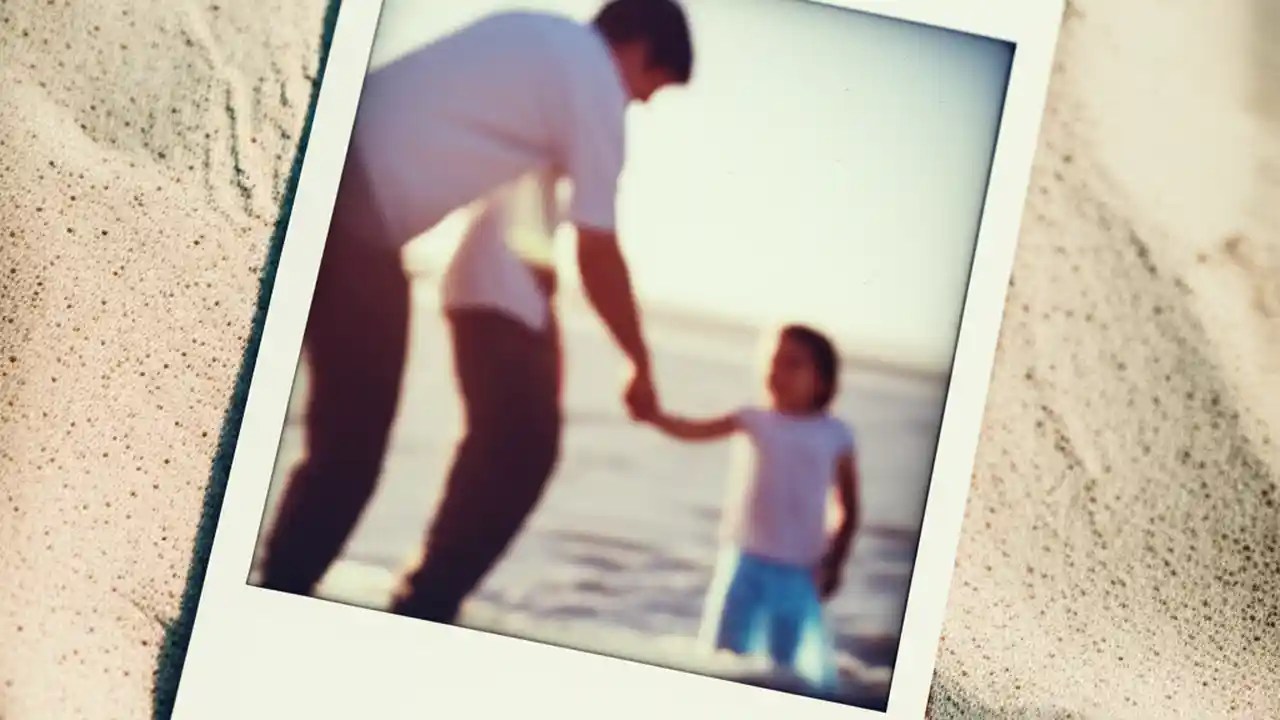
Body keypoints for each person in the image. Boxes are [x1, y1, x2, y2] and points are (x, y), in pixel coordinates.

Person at [257, 0, 696, 624]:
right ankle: (285, 606)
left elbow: (518, 216)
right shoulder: (596, 81)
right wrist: (640, 364)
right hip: (352, 208)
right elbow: (597, 248)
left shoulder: (534, 37)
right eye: (652, 87)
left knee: (346, 448)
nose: (641, 103)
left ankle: (318, 596)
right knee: (350, 453)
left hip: (323, 157)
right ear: (639, 50)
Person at [640, 324, 861, 692]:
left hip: (799, 571)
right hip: (745, 561)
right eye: (773, 361)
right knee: (721, 655)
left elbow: (848, 507)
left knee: (782, 670)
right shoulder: (754, 420)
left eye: (793, 364)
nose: (777, 372)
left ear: (823, 379)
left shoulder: (836, 434)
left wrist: (836, 561)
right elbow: (694, 430)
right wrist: (654, 416)